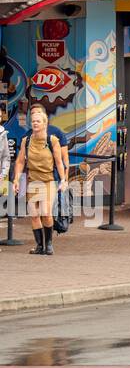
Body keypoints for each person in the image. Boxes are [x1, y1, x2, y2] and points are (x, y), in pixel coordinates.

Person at [11, 105, 67, 255]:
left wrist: (63, 179)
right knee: (34, 214)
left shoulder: (52, 140)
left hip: (48, 180)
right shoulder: (26, 141)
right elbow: (20, 161)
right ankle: (39, 246)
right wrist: (16, 179)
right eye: (33, 121)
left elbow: (59, 161)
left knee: (46, 213)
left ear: (45, 123)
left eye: (38, 121)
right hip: (32, 180)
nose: (35, 123)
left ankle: (48, 244)